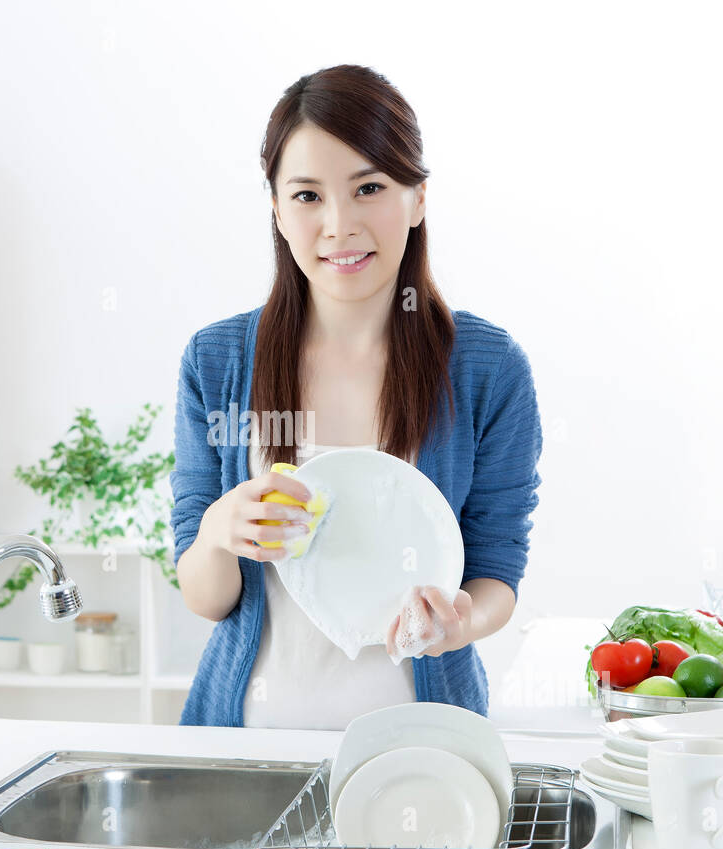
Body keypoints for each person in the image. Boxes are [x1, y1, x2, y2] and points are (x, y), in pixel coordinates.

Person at [170, 64, 542, 729]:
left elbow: (496, 571)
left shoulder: (487, 369)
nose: (338, 225)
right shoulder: (217, 360)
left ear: (417, 198)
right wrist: (219, 532)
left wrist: (458, 623)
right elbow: (206, 596)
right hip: (247, 753)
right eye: (308, 196)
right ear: (278, 211)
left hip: (424, 752)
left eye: (368, 187)